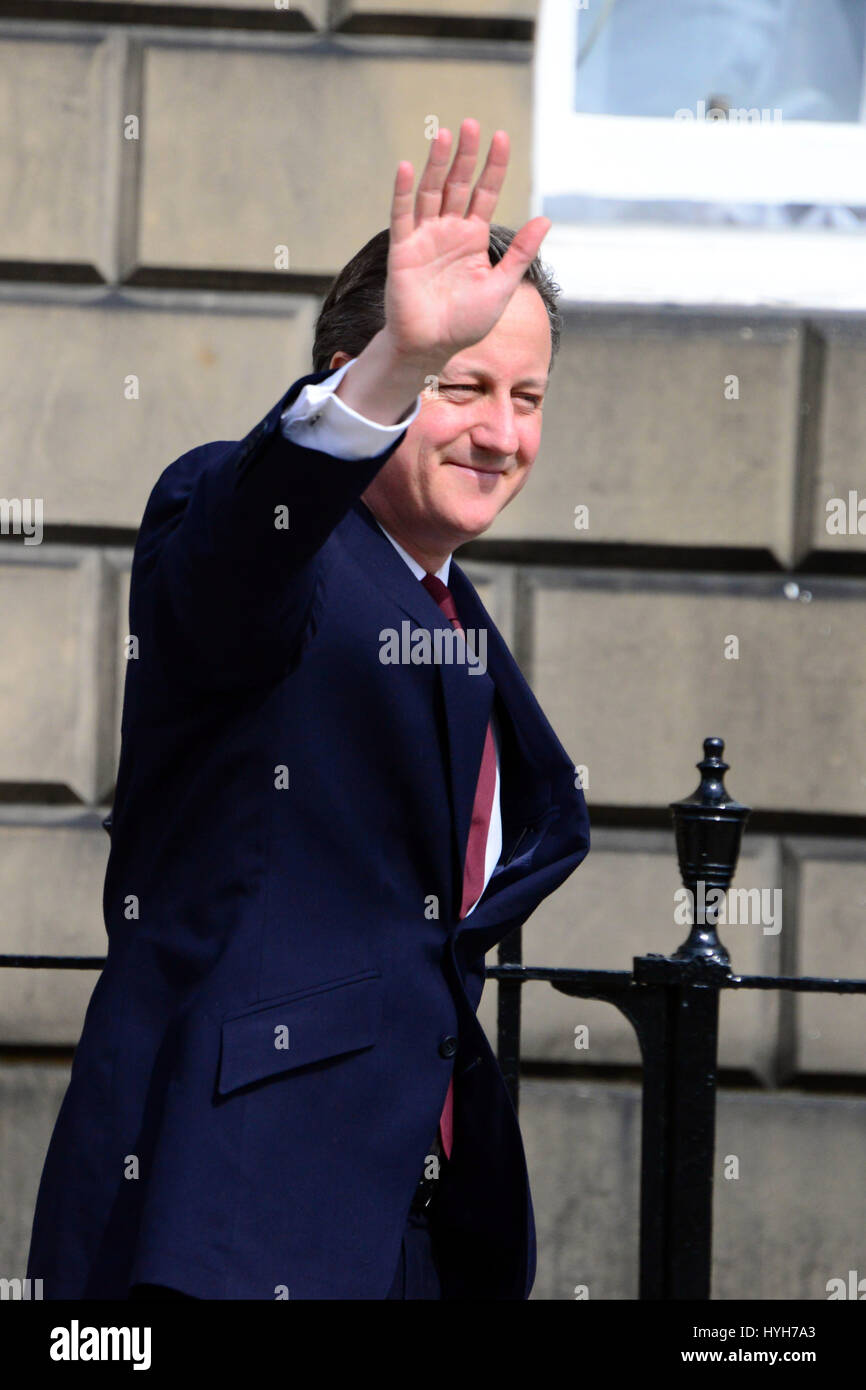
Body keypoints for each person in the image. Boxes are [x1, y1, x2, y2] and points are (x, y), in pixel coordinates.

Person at [26, 117, 590, 1300]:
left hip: (411, 1232)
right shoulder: (261, 534)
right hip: (234, 1221)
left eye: (527, 396)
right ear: (365, 380)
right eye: (461, 385)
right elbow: (235, 570)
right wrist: (391, 364)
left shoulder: (451, 613)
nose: (500, 433)